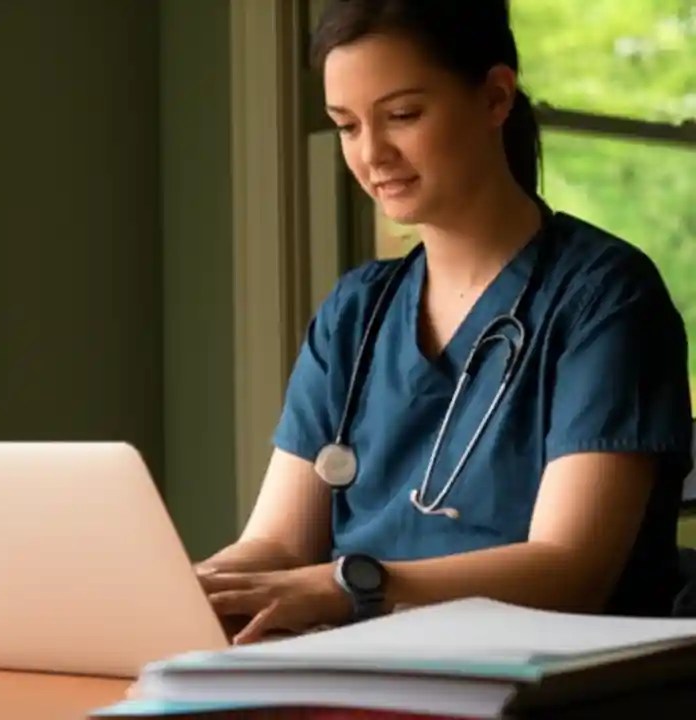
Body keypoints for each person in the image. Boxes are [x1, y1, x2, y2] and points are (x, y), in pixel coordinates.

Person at [195, 0, 693, 644]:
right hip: (357, 667)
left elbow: (572, 571)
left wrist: (349, 586)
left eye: (403, 115)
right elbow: (277, 543)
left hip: (553, 679)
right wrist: (192, 585)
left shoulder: (605, 298)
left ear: (494, 98)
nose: (372, 154)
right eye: (346, 126)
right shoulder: (357, 312)